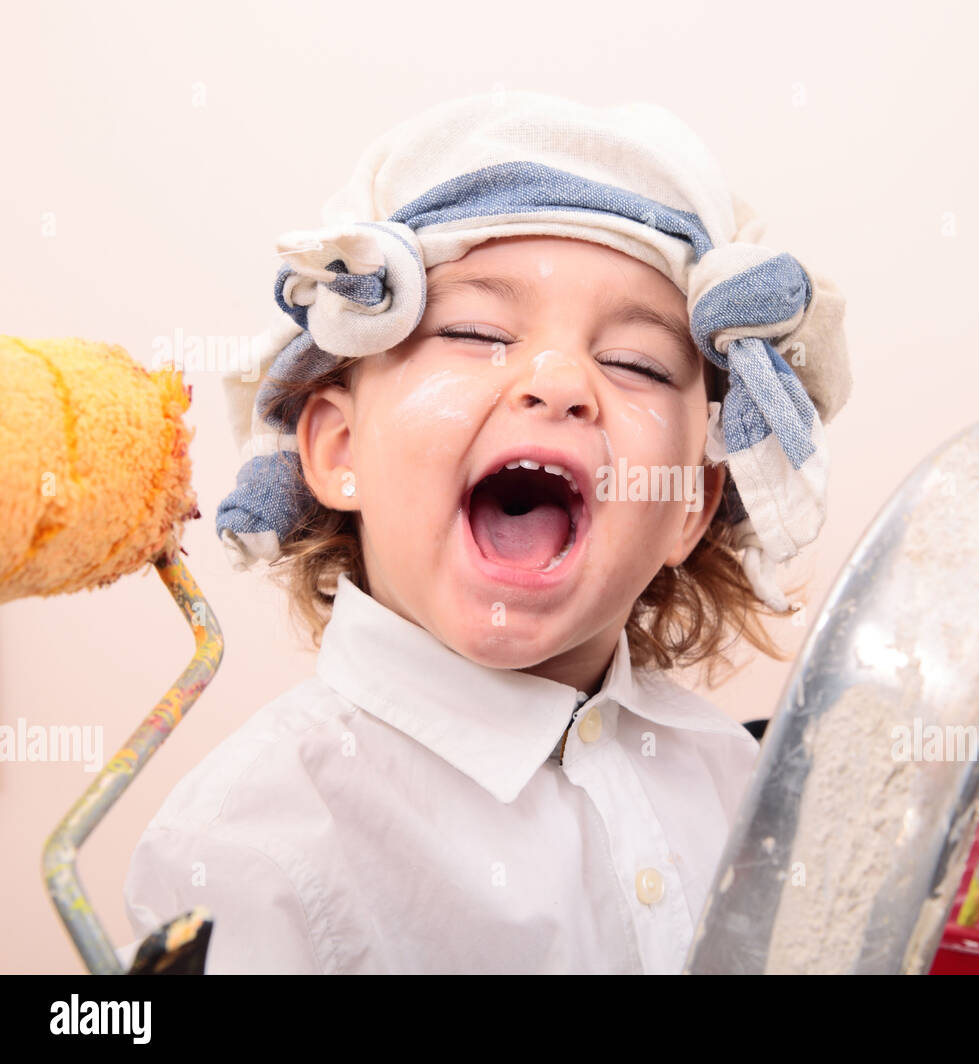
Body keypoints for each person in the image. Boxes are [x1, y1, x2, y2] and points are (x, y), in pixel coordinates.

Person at [120, 90, 852, 973]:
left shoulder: (735, 782)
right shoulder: (245, 849)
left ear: (688, 507)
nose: (558, 381)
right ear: (340, 448)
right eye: (475, 332)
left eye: (633, 362)